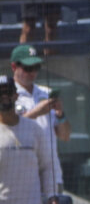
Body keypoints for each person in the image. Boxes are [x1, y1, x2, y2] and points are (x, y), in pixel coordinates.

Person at [0, 74, 57, 204]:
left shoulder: (34, 129)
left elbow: (47, 166)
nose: (4, 97)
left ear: (16, 95)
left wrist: (51, 194)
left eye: (8, 92)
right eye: (0, 93)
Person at [12, 45, 69, 193]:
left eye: (36, 67)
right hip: (19, 176)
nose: (33, 73)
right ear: (14, 67)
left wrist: (60, 114)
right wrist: (35, 113)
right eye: (28, 68)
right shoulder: (5, 94)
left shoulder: (46, 92)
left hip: (51, 175)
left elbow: (65, 136)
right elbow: (5, 128)